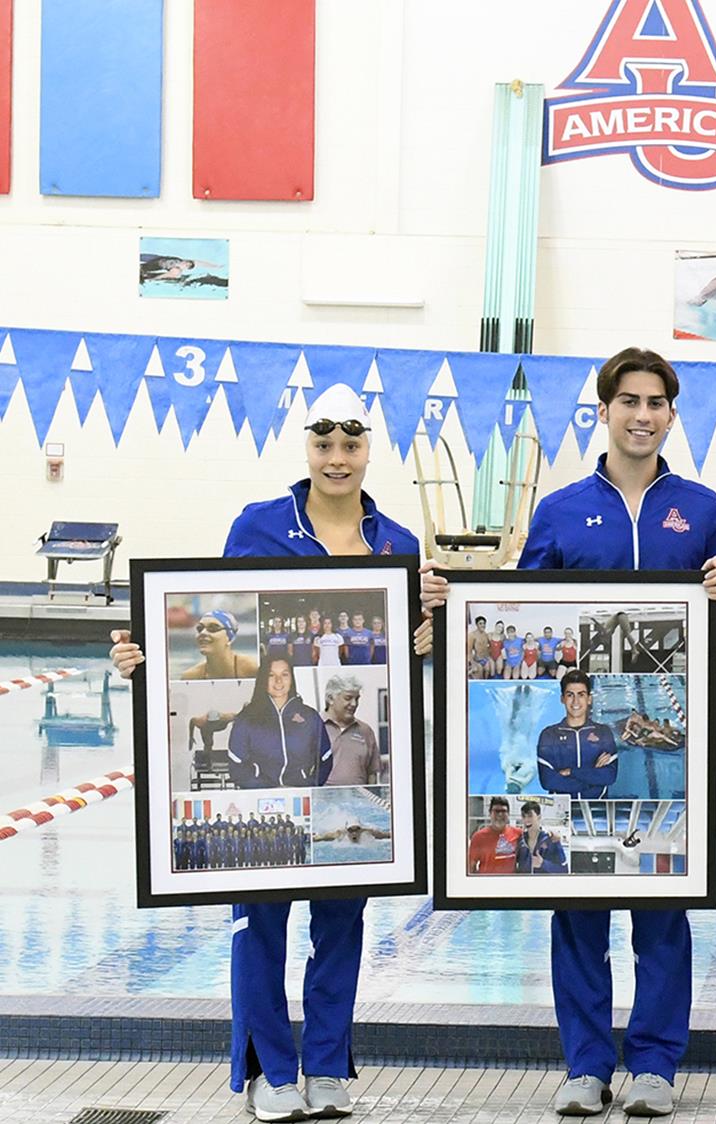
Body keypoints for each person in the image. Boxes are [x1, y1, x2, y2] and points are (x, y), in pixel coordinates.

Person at [108, 384, 439, 1122]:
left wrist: (427, 639)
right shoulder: (259, 525)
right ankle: (268, 1072)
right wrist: (145, 658)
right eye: (324, 445)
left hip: (347, 782)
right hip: (263, 780)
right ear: (307, 448)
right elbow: (222, 627)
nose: (337, 459)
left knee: (341, 926)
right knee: (259, 925)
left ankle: (327, 1067)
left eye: (350, 446)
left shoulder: (398, 545)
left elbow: (402, 658)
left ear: (367, 451)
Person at [516, 347, 716, 1118]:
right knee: (578, 907)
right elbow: (524, 622)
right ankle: (585, 1065)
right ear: (604, 410)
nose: (643, 415)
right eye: (629, 401)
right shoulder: (561, 508)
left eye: (656, 403)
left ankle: (653, 1066)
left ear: (671, 415)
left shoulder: (701, 508)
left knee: (662, 906)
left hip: (666, 756)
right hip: (586, 742)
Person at [227, 655, 331, 790]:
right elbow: (236, 764)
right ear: (263, 679)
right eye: (271, 675)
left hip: (300, 795)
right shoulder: (246, 719)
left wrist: (308, 786)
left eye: (285, 674)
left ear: (292, 679)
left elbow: (325, 758)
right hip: (261, 798)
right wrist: (265, 788)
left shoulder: (310, 716)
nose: (278, 681)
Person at [537, 671, 621, 800]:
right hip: (562, 807)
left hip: (597, 805)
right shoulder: (549, 735)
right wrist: (593, 776)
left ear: (589, 699)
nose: (575, 701)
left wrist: (571, 772)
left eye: (581, 695)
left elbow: (609, 776)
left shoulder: (603, 732)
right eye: (570, 695)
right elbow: (549, 782)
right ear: (562, 699)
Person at [320, 674, 381, 786]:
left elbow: (372, 773)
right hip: (323, 801)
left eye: (357, 699)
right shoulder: (314, 727)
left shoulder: (365, 731)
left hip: (359, 801)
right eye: (348, 698)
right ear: (330, 699)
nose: (354, 704)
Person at [180, 609, 261, 680]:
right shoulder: (191, 677)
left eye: (213, 628)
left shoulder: (251, 669)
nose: (203, 633)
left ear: (229, 638)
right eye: (200, 628)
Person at [468, 797, 522, 875]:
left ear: (508, 814)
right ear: (490, 813)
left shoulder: (518, 833)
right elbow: (470, 867)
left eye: (503, 811)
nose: (500, 815)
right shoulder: (478, 837)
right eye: (496, 811)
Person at [515, 800, 568, 874]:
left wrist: (543, 864)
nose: (526, 820)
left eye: (530, 816)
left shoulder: (551, 840)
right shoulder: (520, 840)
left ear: (539, 817)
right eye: (524, 816)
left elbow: (564, 870)